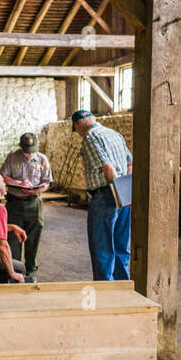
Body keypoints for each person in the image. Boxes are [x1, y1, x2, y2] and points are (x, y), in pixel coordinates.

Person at [72, 109, 132, 281]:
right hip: (124, 194)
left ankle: (105, 290)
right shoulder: (114, 134)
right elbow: (130, 162)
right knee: (121, 245)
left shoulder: (90, 138)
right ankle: (123, 287)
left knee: (102, 247)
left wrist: (118, 194)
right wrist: (125, 193)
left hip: (106, 196)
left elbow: (108, 169)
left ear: (77, 126)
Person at [0, 131, 52, 277]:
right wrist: (18, 183)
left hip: (34, 203)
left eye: (32, 151)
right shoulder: (12, 157)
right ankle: (14, 271)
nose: (29, 155)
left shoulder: (42, 159)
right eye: (26, 151)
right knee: (12, 238)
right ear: (20, 146)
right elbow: (3, 176)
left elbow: (46, 182)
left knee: (33, 237)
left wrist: (37, 190)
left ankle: (30, 271)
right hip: (14, 203)